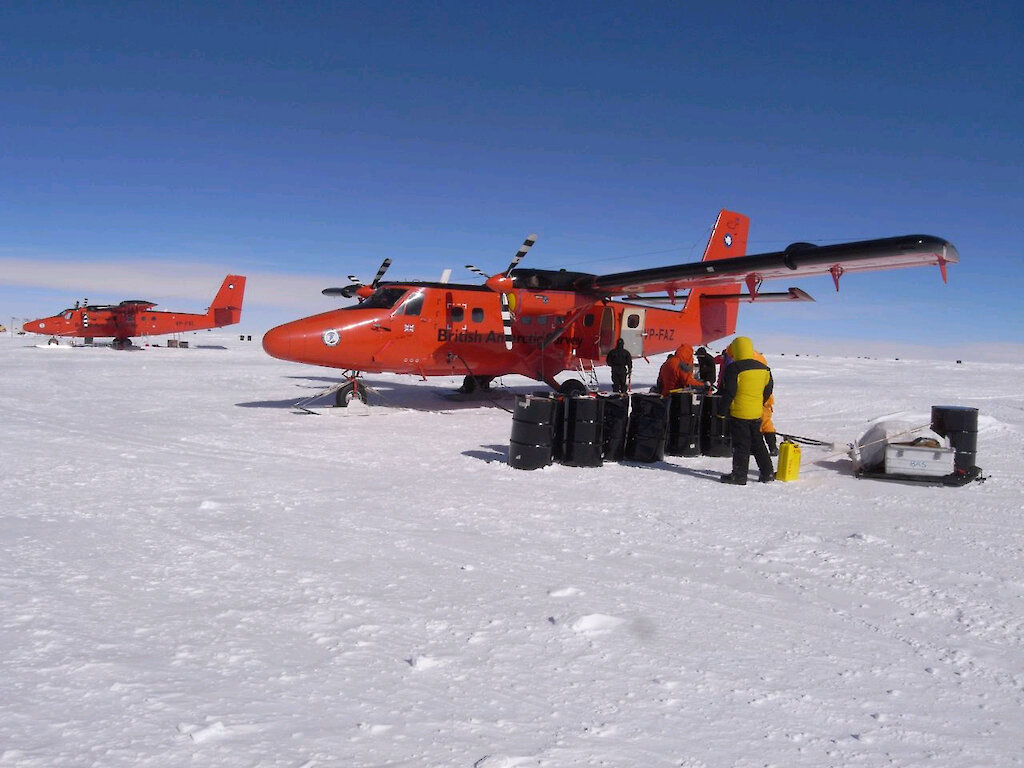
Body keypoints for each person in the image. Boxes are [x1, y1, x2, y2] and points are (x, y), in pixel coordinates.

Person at [718, 336, 775, 484]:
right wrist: (758, 403)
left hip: (739, 413)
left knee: (741, 445)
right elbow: (768, 390)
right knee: (758, 443)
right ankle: (767, 473)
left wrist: (721, 411)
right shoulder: (764, 368)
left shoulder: (734, 368)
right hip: (756, 413)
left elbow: (729, 392)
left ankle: (739, 475)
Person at [752, 349, 778, 455]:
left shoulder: (753, 364)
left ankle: (771, 447)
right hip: (763, 399)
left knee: (763, 424)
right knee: (764, 423)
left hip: (761, 400)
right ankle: (772, 447)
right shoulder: (763, 366)